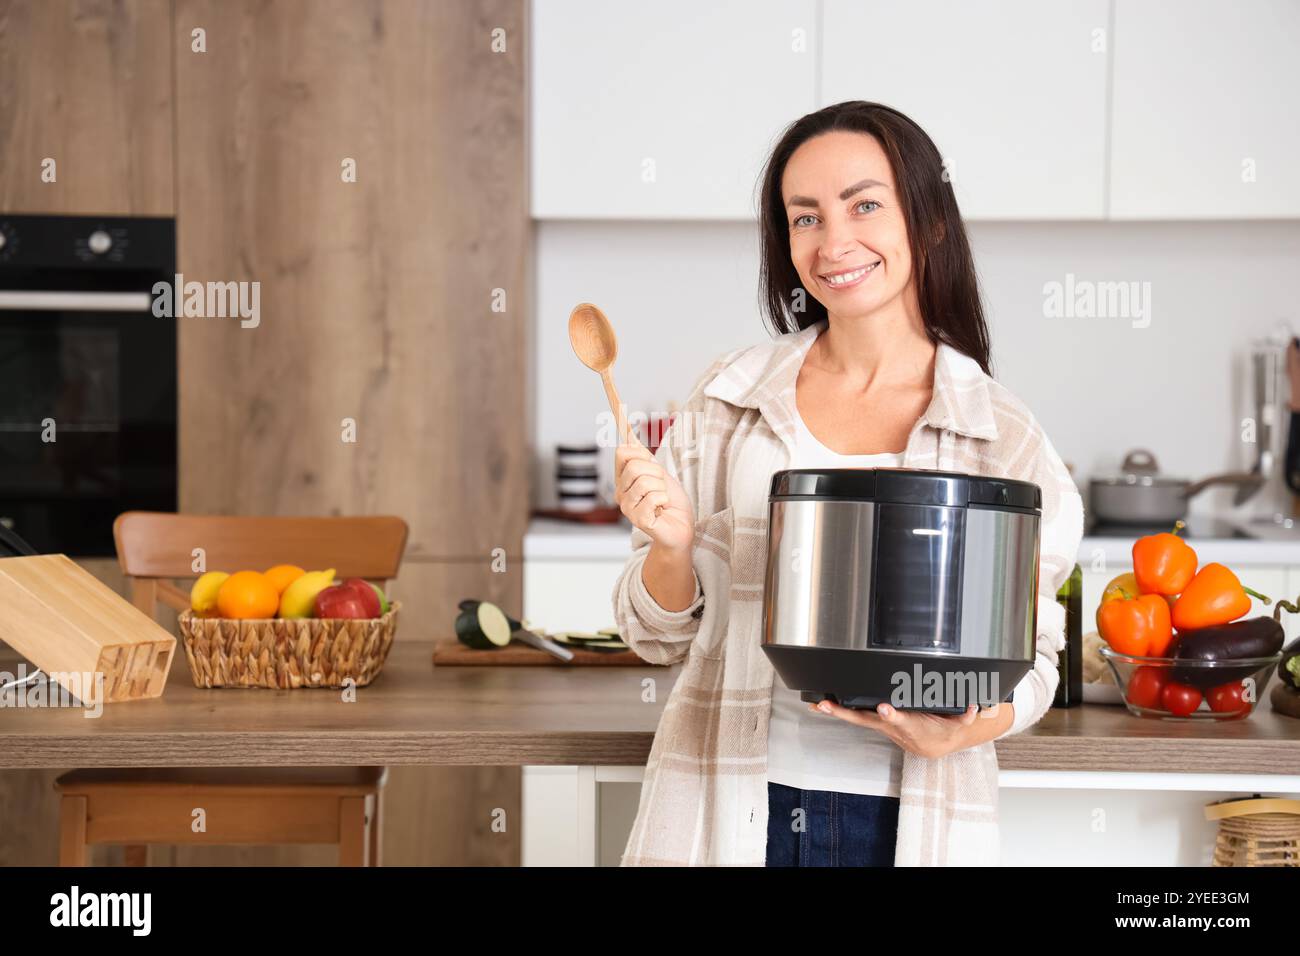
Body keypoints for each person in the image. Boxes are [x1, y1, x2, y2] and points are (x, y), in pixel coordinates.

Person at [611, 101, 1084, 866]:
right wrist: (668, 551)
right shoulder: (729, 400)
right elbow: (655, 638)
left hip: (911, 817)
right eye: (805, 218)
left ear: (928, 220)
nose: (834, 242)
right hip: (726, 801)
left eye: (864, 204)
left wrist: (971, 725)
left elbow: (1035, 658)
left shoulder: (1001, 433)